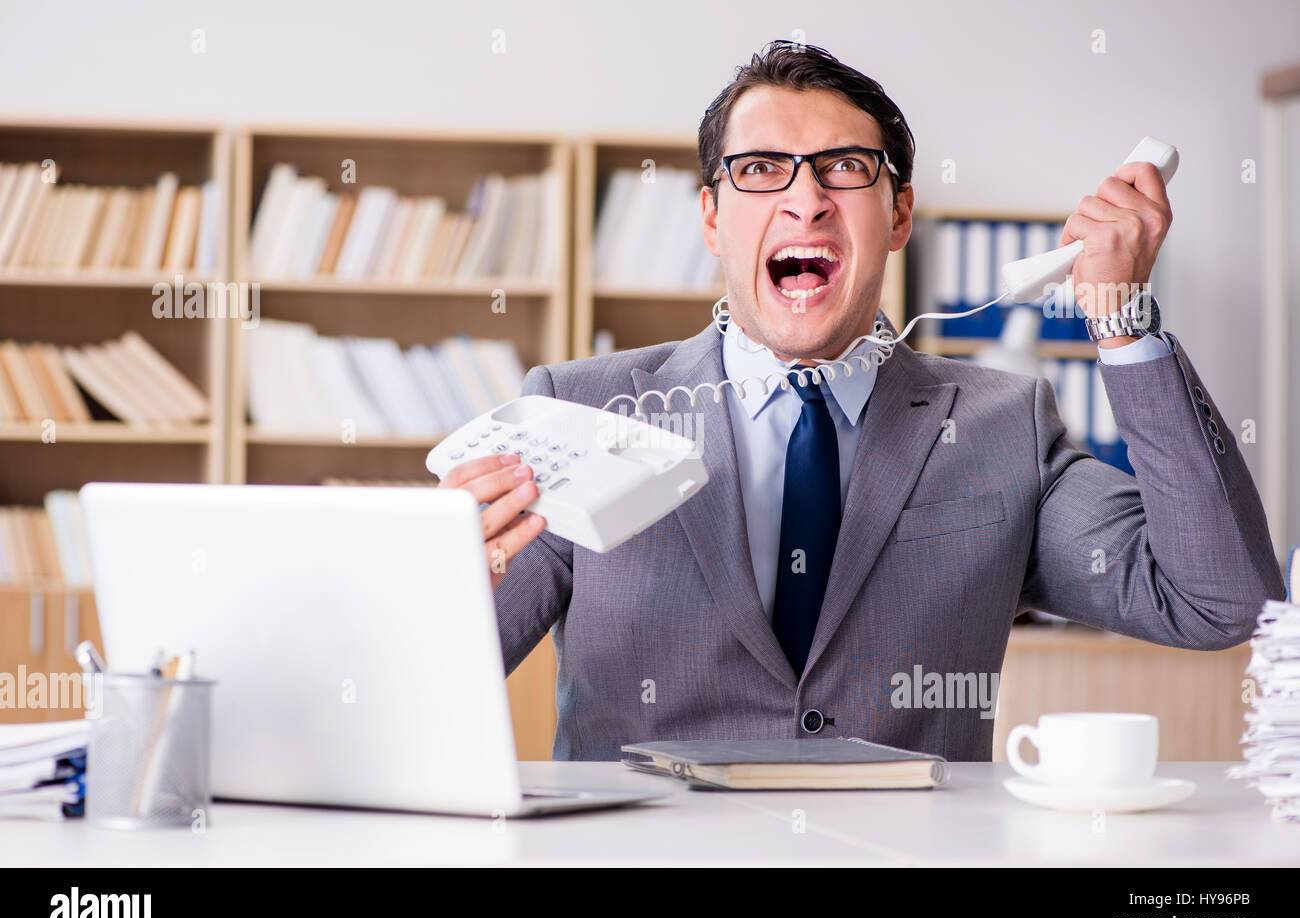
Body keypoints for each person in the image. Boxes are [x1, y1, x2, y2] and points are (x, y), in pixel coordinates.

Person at [443, 40, 1284, 761]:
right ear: (709, 216)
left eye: (846, 168)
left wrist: (1123, 322)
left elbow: (1217, 601)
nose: (804, 199)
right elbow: (420, 672)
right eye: (761, 169)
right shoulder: (582, 410)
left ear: (898, 214)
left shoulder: (1003, 428)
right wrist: (437, 570)